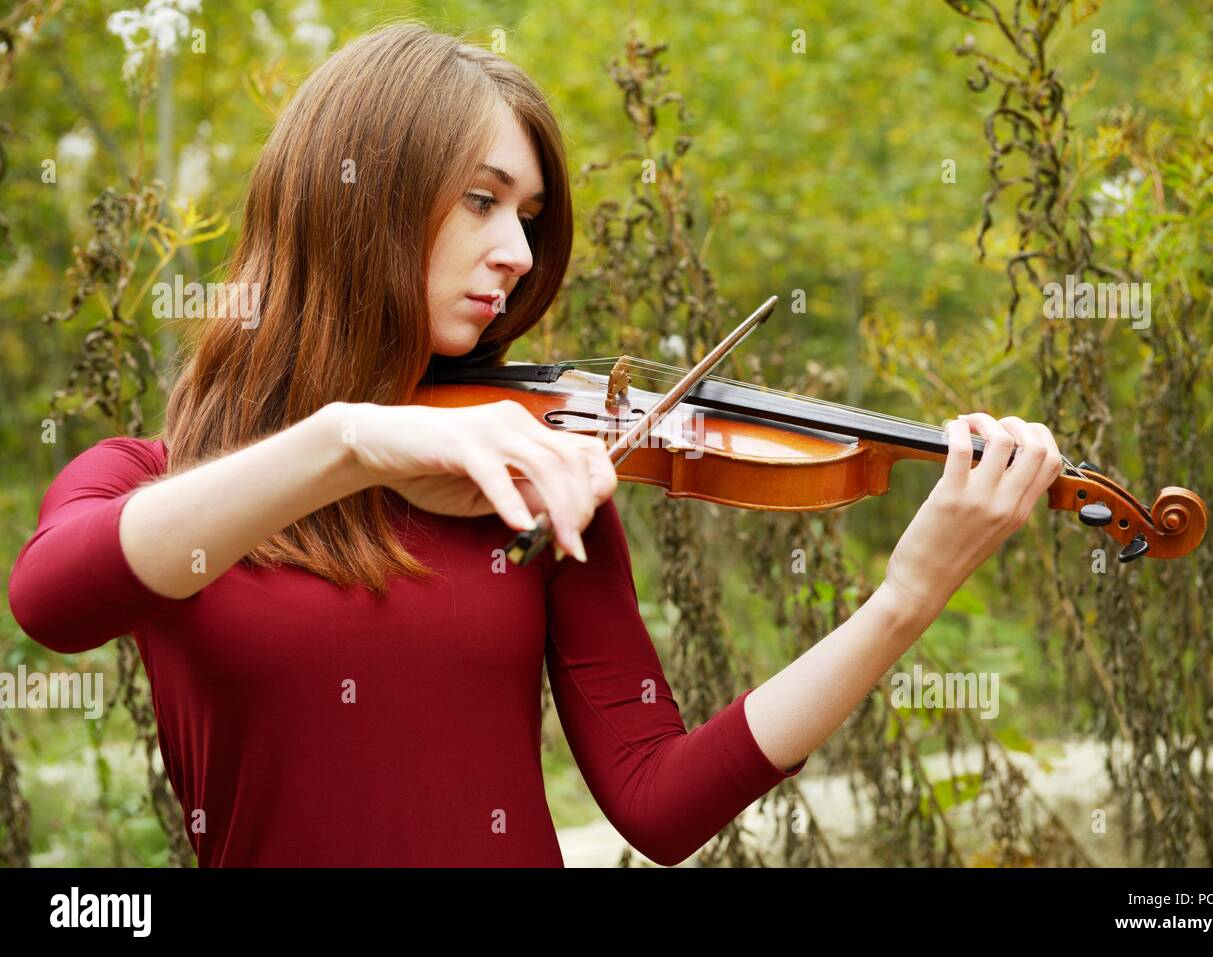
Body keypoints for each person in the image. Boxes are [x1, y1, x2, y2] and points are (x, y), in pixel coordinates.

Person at [7, 22, 1062, 867]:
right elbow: (54, 601)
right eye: (480, 201)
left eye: (530, 216)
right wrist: (350, 442)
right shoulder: (153, 483)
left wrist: (903, 601)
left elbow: (658, 800)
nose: (516, 253)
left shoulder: (534, 476)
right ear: (357, 200)